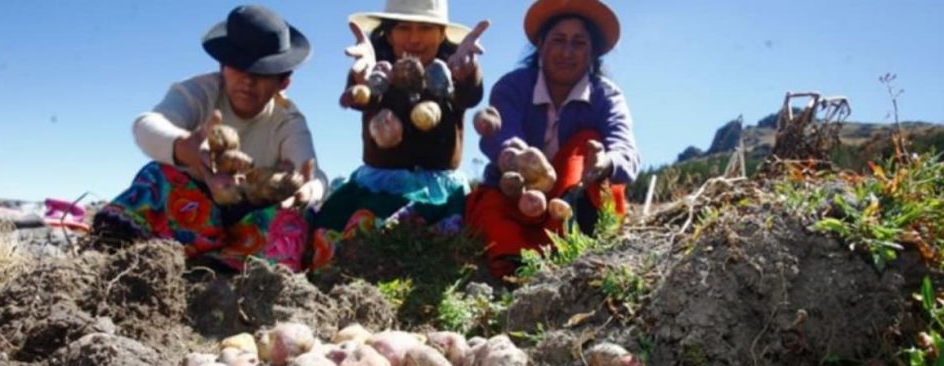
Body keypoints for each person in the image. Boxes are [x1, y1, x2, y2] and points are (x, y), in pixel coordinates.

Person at [93, 5, 327, 272]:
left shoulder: (288, 121)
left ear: (283, 83)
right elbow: (146, 126)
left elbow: (312, 173)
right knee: (156, 177)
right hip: (192, 211)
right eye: (238, 67)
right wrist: (186, 148)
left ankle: (229, 277)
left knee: (295, 217)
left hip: (249, 223)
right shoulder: (200, 92)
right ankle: (112, 257)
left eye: (261, 73)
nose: (247, 80)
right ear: (223, 66)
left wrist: (306, 189)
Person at [308, 0, 489, 270]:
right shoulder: (376, 70)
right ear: (389, 34)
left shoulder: (453, 70)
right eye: (404, 27)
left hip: (440, 192)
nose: (415, 38)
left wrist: (466, 73)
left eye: (426, 28)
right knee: (342, 241)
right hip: (378, 187)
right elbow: (361, 98)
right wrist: (362, 81)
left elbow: (470, 94)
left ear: (441, 35)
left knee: (451, 253)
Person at [465, 0, 640, 278]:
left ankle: (577, 242)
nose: (567, 52)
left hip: (576, 200)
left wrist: (605, 162)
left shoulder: (607, 96)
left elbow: (626, 151)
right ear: (541, 44)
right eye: (558, 40)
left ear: (592, 52)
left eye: (579, 43)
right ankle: (515, 262)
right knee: (491, 211)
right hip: (517, 196)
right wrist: (516, 158)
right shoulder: (512, 87)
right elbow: (500, 133)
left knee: (588, 142)